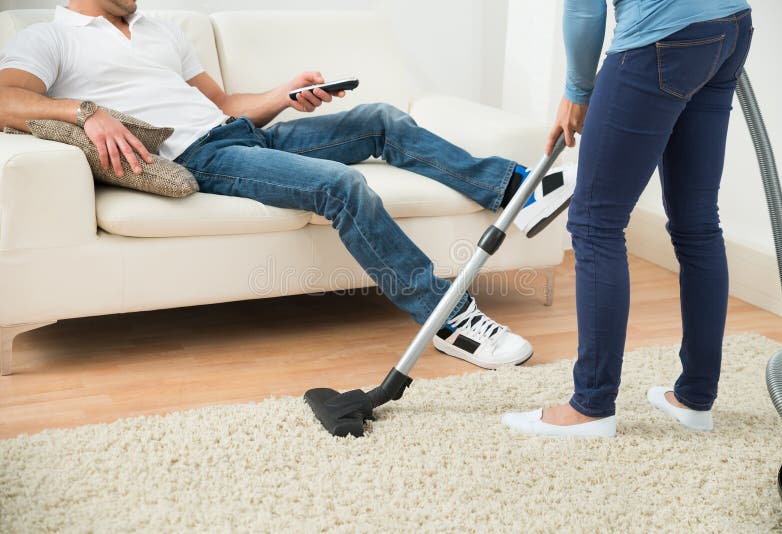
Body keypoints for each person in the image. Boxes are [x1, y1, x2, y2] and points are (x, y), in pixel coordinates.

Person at [0, 0, 574, 370]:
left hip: (238, 131)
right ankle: (447, 316)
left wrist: (285, 94)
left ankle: (515, 190)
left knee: (380, 118)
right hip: (202, 158)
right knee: (342, 186)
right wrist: (85, 112)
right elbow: (6, 99)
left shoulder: (162, 31)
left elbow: (224, 105)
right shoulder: (52, 38)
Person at [503, 0, 753, 437]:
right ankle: (695, 398)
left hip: (660, 36)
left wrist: (577, 92)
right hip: (730, 26)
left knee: (595, 223)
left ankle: (591, 407)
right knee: (698, 223)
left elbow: (584, 9)